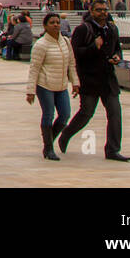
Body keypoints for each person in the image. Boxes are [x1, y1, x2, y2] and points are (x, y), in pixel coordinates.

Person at [58, 0, 130, 161]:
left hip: (108, 78)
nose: (103, 13)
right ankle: (66, 134)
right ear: (91, 11)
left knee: (115, 113)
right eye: (99, 10)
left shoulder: (112, 28)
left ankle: (112, 149)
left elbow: (116, 47)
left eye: (105, 10)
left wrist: (117, 56)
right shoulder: (83, 30)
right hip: (89, 78)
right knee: (86, 113)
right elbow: (75, 53)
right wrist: (93, 47)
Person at [26, 12, 79, 161]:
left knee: (64, 115)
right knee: (48, 115)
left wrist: (75, 82)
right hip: (45, 85)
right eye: (52, 23)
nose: (56, 25)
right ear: (45, 26)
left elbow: (71, 64)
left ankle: (48, 142)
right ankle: (49, 149)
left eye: (57, 22)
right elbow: (34, 68)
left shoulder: (66, 42)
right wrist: (30, 91)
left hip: (61, 85)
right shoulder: (41, 44)